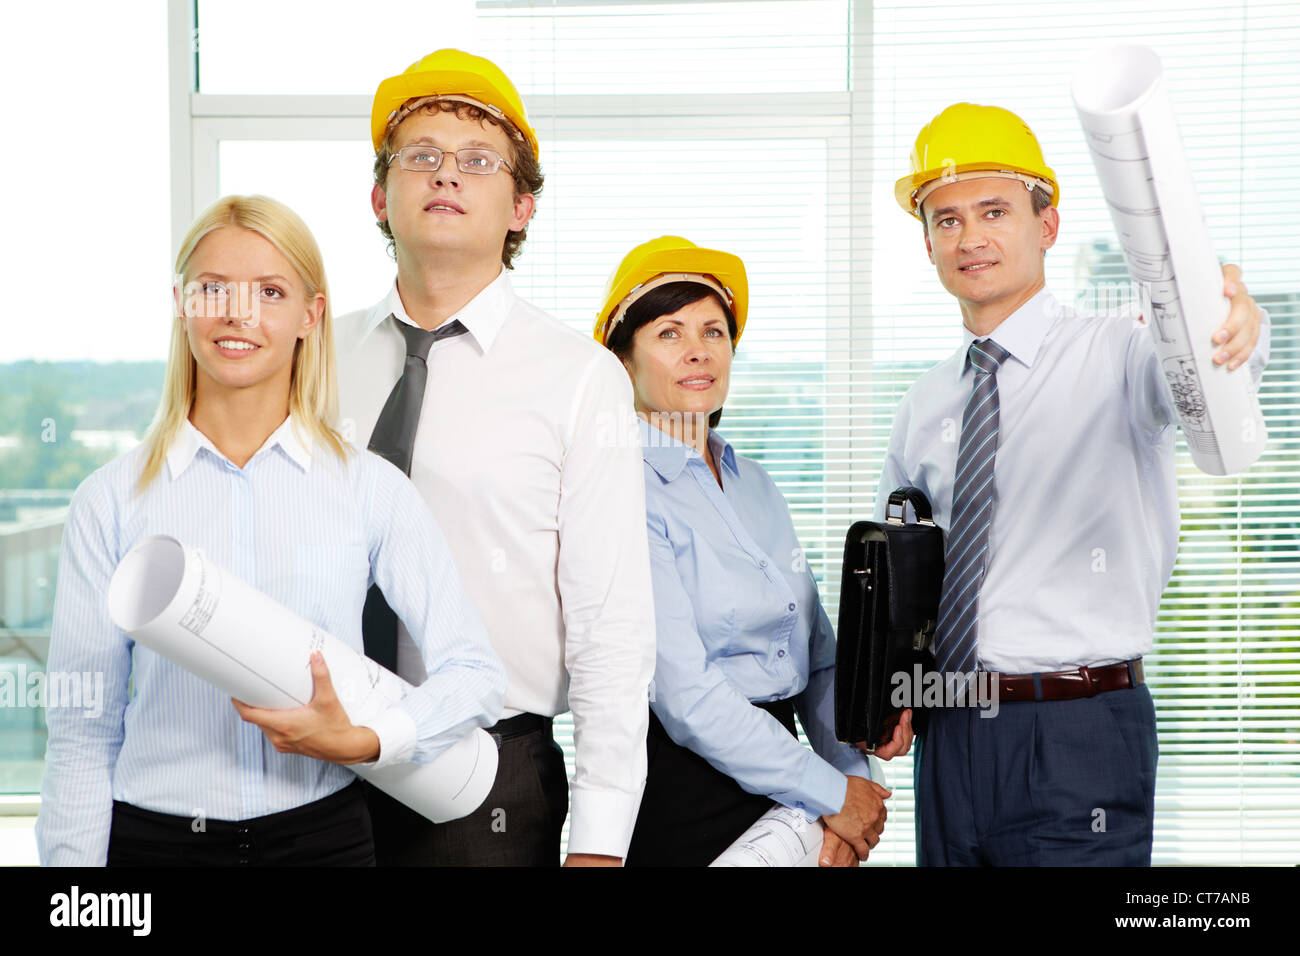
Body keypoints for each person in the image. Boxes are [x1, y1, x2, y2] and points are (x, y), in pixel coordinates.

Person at [36, 195, 506, 866]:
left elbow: (475, 673)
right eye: (214, 289)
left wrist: (372, 738)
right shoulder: (109, 501)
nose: (239, 313)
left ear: (310, 314)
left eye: (271, 290)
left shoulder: (369, 489)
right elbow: (81, 729)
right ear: (182, 304)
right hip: (157, 846)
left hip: (324, 840)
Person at [880, 103, 1268, 865]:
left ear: (1046, 227)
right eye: (947, 220)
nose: (971, 238)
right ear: (928, 243)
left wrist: (1225, 324)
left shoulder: (1119, 353)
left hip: (1077, 729)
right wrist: (891, 688)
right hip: (949, 730)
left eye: (995, 211)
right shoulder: (924, 404)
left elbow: (1197, 370)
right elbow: (906, 575)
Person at [336, 50, 656, 866]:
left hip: (487, 777)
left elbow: (609, 623)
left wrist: (601, 838)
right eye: (422, 157)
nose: (447, 175)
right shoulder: (315, 358)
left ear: (521, 207)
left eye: (478, 162)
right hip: (312, 764)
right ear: (381, 196)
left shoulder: (579, 378)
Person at [595, 237, 910, 867]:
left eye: (713, 331)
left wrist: (851, 792)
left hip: (791, 783)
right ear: (624, 363)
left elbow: (817, 657)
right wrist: (830, 794)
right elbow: (685, 696)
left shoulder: (757, 484)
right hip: (683, 785)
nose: (697, 351)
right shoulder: (618, 489)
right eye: (668, 333)